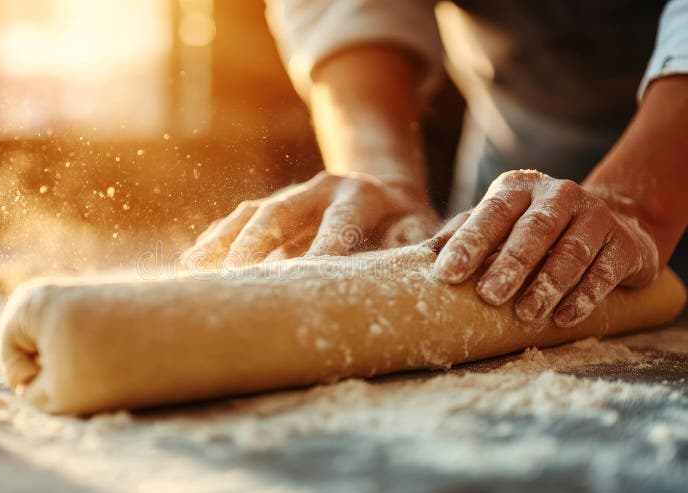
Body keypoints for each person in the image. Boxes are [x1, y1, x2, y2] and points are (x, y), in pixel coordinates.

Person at [186, 0, 688, 328]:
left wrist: (641, 199)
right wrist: (380, 170)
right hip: (525, 148)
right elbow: (346, 10)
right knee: (488, 290)